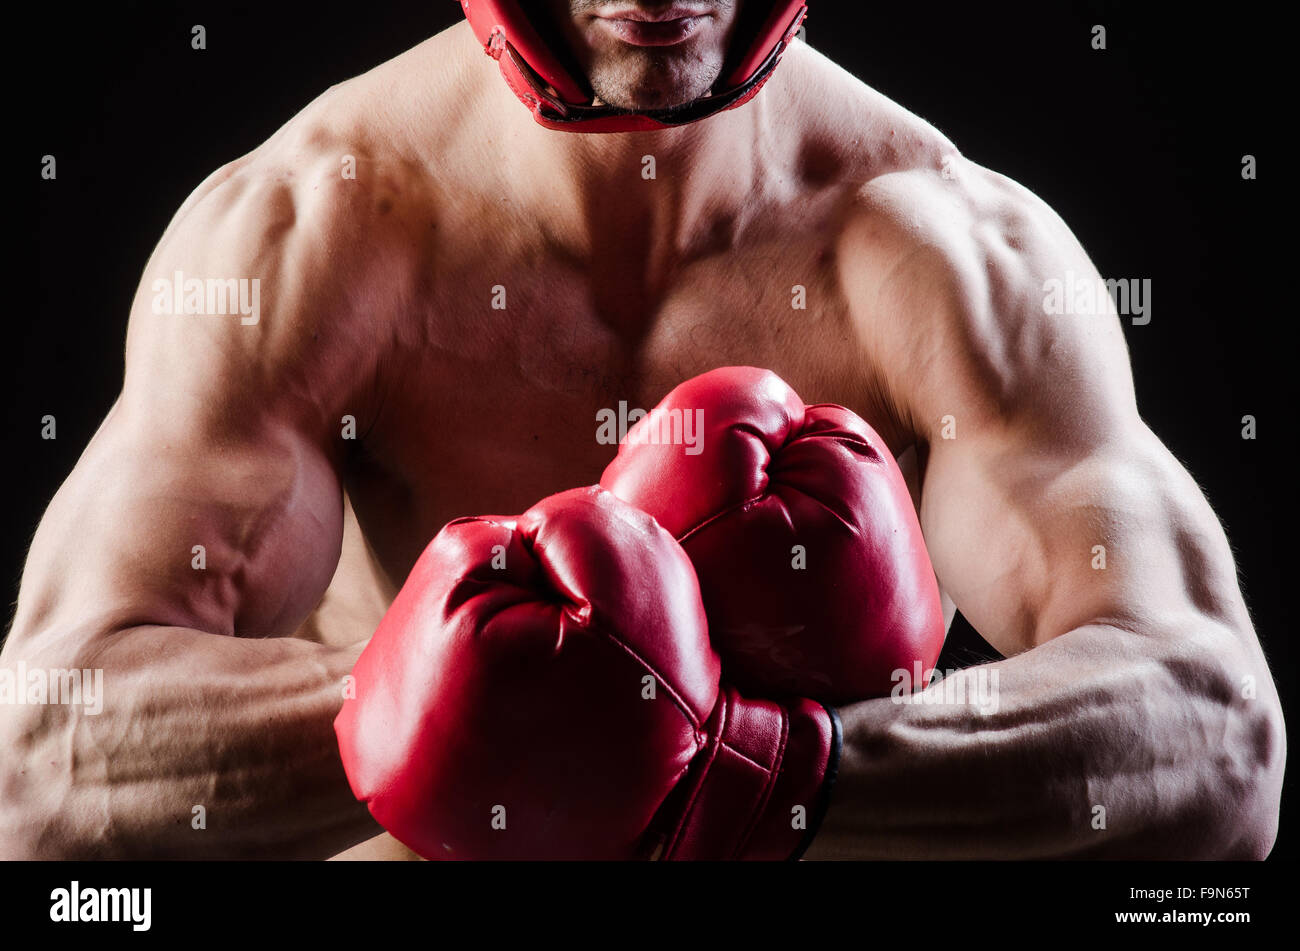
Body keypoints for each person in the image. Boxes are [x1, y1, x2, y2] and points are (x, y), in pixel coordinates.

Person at [0, 1, 1283, 859]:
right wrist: (401, 705)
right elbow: (41, 760)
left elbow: (1216, 728)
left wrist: (768, 766)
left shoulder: (943, 252)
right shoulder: (308, 239)